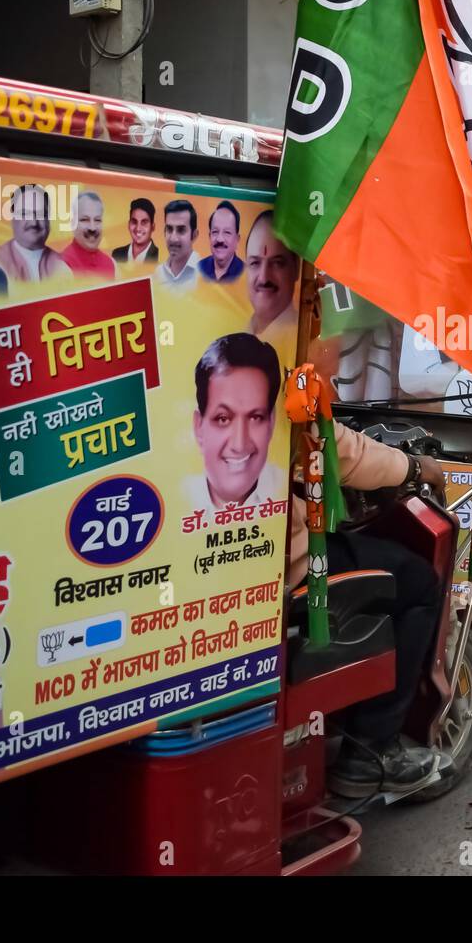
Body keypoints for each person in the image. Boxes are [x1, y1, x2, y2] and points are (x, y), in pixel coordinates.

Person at [188, 332, 447, 794]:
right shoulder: (283, 383)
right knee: (418, 581)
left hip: (227, 576)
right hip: (293, 573)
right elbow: (342, 453)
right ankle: (373, 749)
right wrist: (415, 468)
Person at [185, 333, 286, 515]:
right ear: (199, 426)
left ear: (271, 422)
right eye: (223, 419)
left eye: (255, 417)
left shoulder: (284, 490)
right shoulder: (177, 500)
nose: (239, 445)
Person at [0, 183, 70, 283]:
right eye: (25, 213)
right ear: (12, 217)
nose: (34, 222)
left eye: (41, 214)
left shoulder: (62, 265)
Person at [245, 210, 299, 340]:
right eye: (255, 263)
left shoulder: (302, 341)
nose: (263, 278)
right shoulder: (235, 334)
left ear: (296, 268)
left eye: (277, 263)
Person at [59, 191, 116, 280]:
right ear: (73, 223)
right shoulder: (63, 267)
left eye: (97, 220)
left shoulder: (112, 264)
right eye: (85, 220)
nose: (92, 228)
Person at [157, 199, 200, 291]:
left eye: (181, 230)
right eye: (169, 229)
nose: (173, 238)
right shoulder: (157, 274)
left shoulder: (205, 275)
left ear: (194, 235)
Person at [198, 201, 245, 283]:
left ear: (237, 240)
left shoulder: (247, 274)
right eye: (215, 232)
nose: (220, 239)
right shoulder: (197, 270)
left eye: (227, 232)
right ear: (210, 237)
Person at [112, 197, 159, 266]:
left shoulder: (160, 257)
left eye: (144, 222)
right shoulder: (117, 254)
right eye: (134, 222)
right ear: (129, 224)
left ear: (153, 227)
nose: (138, 228)